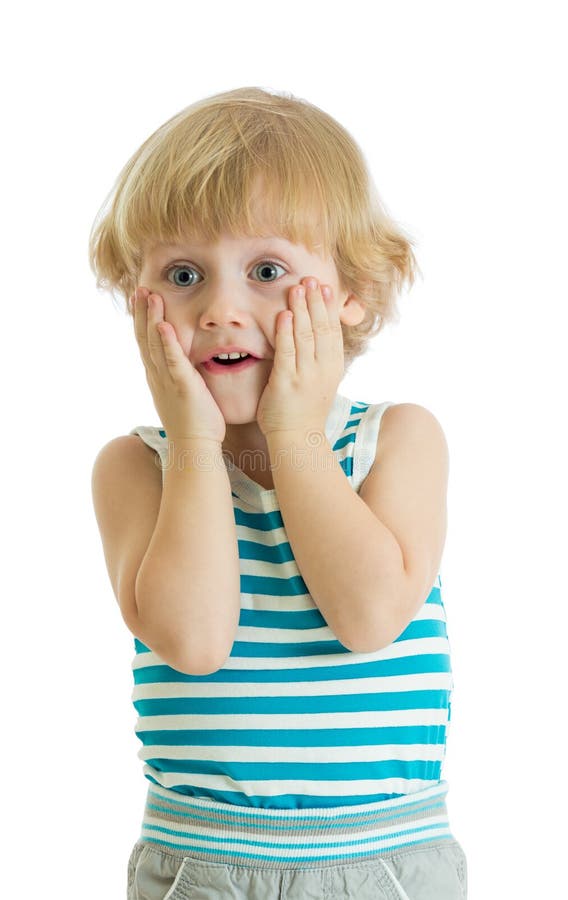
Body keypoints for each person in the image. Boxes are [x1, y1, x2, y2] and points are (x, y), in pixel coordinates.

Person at [89, 87, 467, 899]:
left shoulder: (396, 440)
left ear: (353, 288)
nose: (221, 310)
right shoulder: (138, 468)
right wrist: (194, 441)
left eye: (267, 271)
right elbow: (194, 643)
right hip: (200, 865)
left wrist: (295, 437)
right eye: (182, 275)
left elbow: (368, 618)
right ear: (137, 302)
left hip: (384, 862)